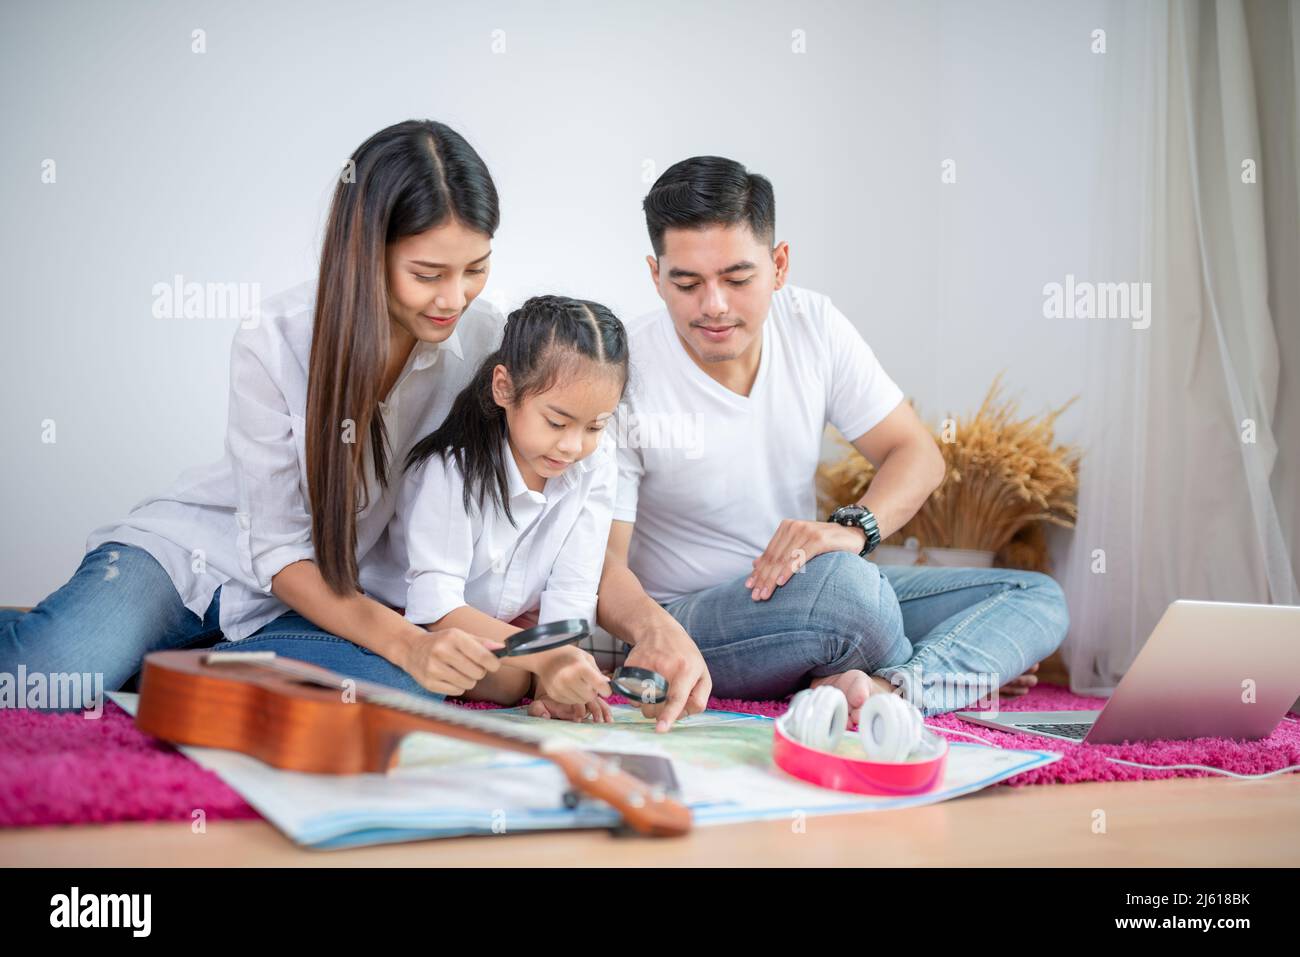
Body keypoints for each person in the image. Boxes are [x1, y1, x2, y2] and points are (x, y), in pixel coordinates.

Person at [2, 120, 512, 706]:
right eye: (428, 274)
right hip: (192, 565)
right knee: (44, 678)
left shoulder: (484, 339)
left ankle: (162, 667)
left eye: (476, 268)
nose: (454, 298)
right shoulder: (275, 339)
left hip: (311, 606)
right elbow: (277, 550)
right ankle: (113, 649)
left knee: (396, 695)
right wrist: (405, 641)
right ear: (367, 252)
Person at [599, 155, 1068, 731]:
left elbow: (917, 453)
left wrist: (852, 529)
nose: (714, 305)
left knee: (1034, 594)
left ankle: (887, 687)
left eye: (738, 279)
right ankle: (945, 671)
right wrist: (652, 632)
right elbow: (605, 566)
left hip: (814, 589)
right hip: (691, 618)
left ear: (779, 264)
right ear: (655, 275)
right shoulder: (623, 367)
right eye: (687, 283)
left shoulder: (813, 324)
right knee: (850, 594)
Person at [376, 295, 628, 721]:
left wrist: (555, 678)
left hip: (512, 626)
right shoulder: (451, 471)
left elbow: (573, 590)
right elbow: (436, 609)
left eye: (594, 426)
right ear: (504, 388)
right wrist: (545, 658)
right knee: (509, 680)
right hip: (417, 624)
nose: (572, 445)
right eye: (556, 422)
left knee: (538, 675)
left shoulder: (595, 465)